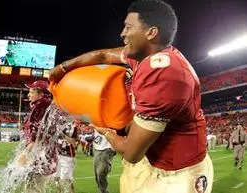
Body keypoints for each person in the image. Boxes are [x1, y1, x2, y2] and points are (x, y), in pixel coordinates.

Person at [49, 0, 213, 192]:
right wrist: (63, 68)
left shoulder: (165, 74)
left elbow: (131, 152)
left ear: (151, 33)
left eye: (128, 27)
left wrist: (105, 130)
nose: (122, 33)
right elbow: (102, 56)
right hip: (151, 161)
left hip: (178, 173)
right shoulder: (144, 57)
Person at [18, 80, 52, 193]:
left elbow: (37, 136)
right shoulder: (43, 106)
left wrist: (25, 153)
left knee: (32, 188)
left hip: (38, 155)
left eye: (31, 92)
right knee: (34, 186)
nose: (28, 95)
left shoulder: (41, 107)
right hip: (42, 154)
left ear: (41, 94)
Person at [54, 121, 79, 193]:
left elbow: (74, 143)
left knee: (67, 179)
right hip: (57, 154)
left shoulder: (73, 127)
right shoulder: (57, 125)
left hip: (67, 156)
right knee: (56, 177)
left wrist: (64, 136)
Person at [93, 129, 116, 193]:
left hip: (106, 149)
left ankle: (104, 191)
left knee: (101, 173)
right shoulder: (96, 123)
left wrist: (112, 149)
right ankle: (102, 191)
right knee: (97, 174)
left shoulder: (109, 123)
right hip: (97, 149)